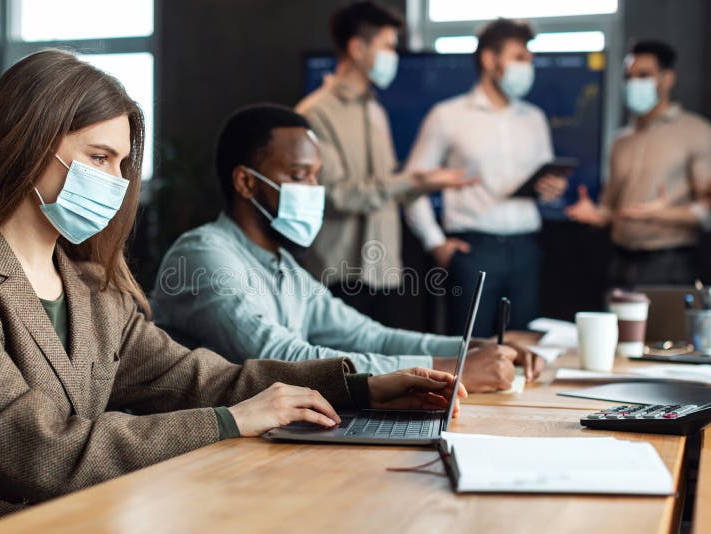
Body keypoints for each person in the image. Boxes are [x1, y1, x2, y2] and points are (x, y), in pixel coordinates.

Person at [0, 51, 466, 533]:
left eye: (123, 164)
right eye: (99, 157)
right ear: (26, 146)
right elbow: (39, 447)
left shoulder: (89, 285)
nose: (116, 180)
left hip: (80, 513)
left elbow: (197, 378)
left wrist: (360, 388)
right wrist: (230, 421)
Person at [151, 104, 543, 394]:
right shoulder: (203, 256)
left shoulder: (281, 264)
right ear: (246, 183)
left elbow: (372, 337)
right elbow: (280, 357)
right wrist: (448, 368)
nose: (313, 190)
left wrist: (477, 346)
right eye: (299, 175)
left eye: (316, 177)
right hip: (201, 453)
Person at [295, 1, 476, 328]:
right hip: (340, 272)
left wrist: (425, 183)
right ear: (357, 48)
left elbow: (385, 188)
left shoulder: (376, 111)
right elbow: (336, 194)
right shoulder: (315, 113)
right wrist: (411, 181)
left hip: (384, 271)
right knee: (340, 374)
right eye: (389, 46)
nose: (394, 56)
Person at [403, 18, 567, 337]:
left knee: (524, 349)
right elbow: (413, 185)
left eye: (529, 59)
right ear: (490, 60)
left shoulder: (534, 118)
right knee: (467, 350)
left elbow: (544, 183)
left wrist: (551, 189)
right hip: (473, 250)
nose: (528, 67)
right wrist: (435, 243)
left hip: (525, 249)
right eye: (519, 57)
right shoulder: (447, 115)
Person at [565, 39, 711, 287]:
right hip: (620, 259)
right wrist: (596, 214)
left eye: (644, 75)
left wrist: (665, 214)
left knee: (662, 326)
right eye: (629, 76)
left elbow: (707, 209)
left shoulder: (696, 132)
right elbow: (611, 207)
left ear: (667, 79)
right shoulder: (621, 140)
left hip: (669, 261)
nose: (634, 83)